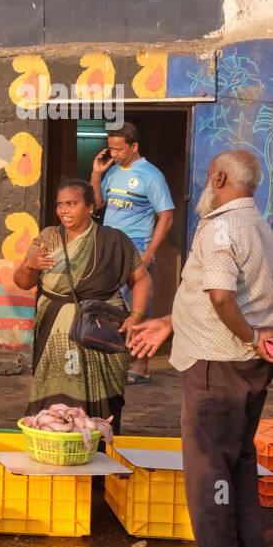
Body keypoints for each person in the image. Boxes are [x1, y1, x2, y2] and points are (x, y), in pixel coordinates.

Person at [129, 150, 273, 547]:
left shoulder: (221, 226)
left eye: (210, 177)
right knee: (239, 458)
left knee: (208, 463)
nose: (204, 187)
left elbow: (221, 298)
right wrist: (174, 321)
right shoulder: (260, 226)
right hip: (247, 365)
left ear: (223, 177)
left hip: (217, 362)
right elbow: (224, 295)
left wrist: (246, 337)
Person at [13, 178, 151, 432]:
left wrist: (137, 315)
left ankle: (98, 455)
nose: (64, 210)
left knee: (101, 408)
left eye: (72, 204)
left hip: (100, 330)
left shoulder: (114, 241)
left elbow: (141, 278)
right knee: (55, 408)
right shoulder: (49, 238)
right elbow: (22, 282)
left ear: (90, 207)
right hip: (54, 330)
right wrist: (27, 265)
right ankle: (53, 450)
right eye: (60, 204)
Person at [92, 122, 175, 384]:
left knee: (137, 307)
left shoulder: (151, 175)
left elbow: (167, 216)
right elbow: (96, 204)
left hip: (136, 249)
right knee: (110, 306)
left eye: (119, 149)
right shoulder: (113, 172)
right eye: (111, 148)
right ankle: (114, 361)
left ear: (134, 146)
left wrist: (150, 252)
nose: (113, 154)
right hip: (109, 249)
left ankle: (141, 366)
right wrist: (96, 173)